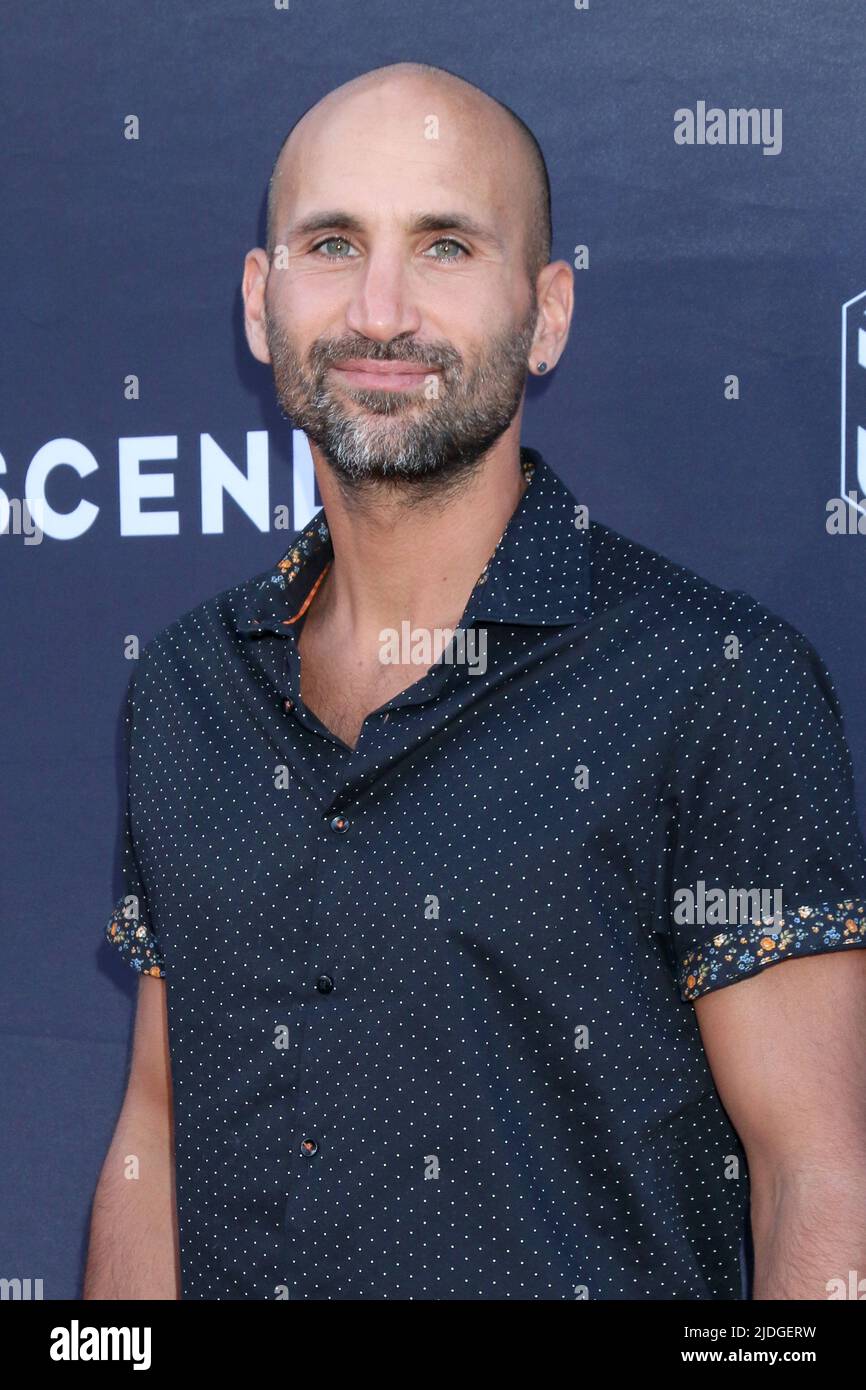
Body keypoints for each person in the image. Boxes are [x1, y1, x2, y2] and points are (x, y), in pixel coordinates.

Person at [85, 61, 866, 1301]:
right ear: (258, 301)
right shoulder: (185, 688)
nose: (380, 310)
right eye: (332, 243)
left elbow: (819, 1174)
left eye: (444, 245)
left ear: (545, 313)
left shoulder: (712, 681)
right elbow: (156, 1122)